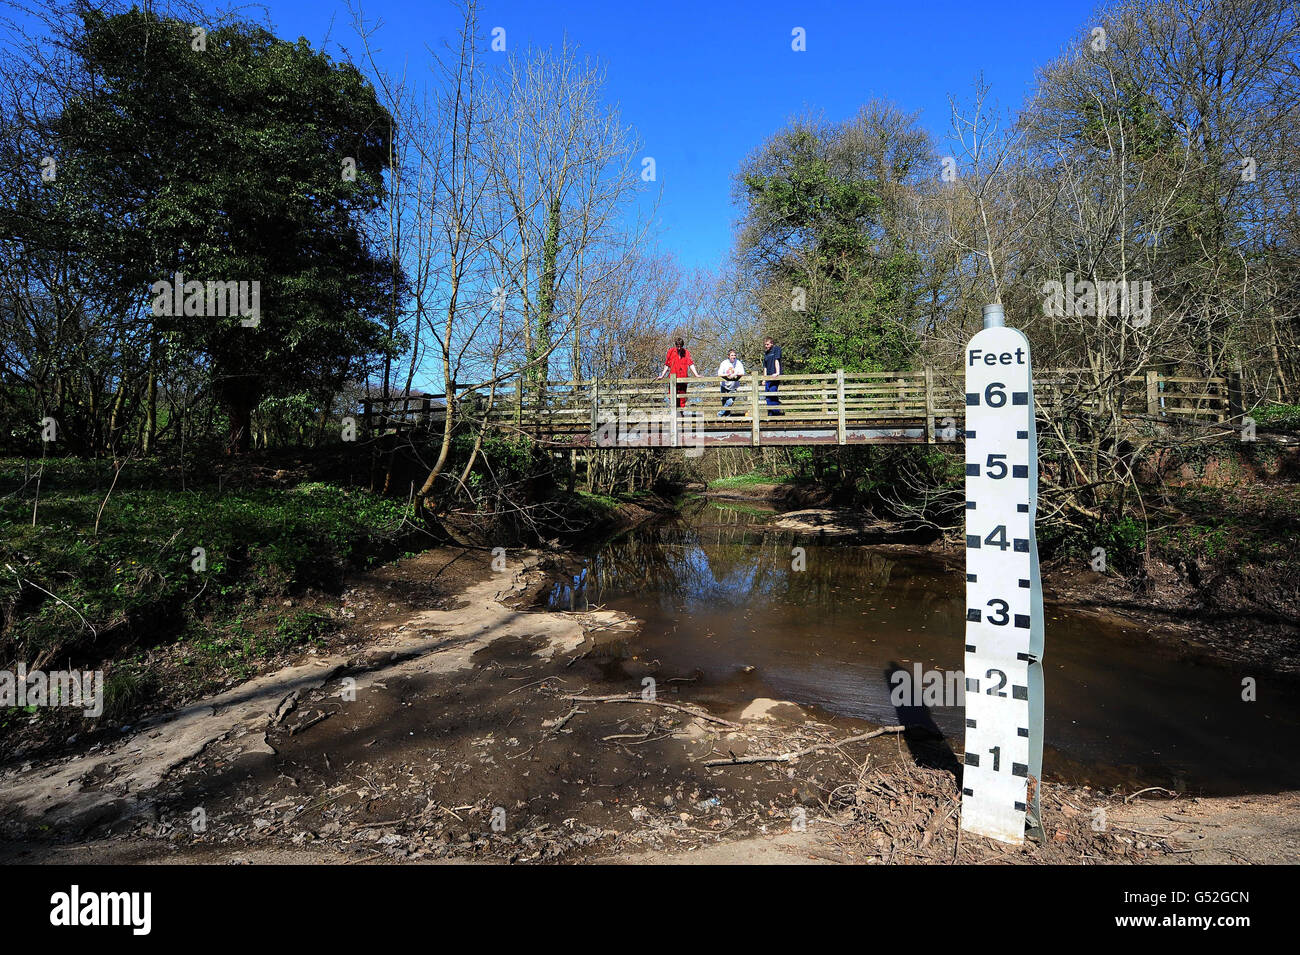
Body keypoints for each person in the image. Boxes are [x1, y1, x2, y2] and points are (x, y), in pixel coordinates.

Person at [656, 337, 700, 409]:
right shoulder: (671, 351)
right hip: (673, 378)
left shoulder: (686, 352)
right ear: (675, 345)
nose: (679, 348)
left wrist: (696, 374)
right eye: (677, 346)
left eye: (680, 346)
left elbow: (691, 364)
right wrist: (662, 375)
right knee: (672, 397)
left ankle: (681, 417)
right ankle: (674, 416)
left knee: (682, 399)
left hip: (683, 378)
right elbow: (667, 364)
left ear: (682, 345)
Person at [716, 349, 745, 416]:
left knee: (730, 402)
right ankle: (727, 417)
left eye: (735, 355)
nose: (734, 357)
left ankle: (720, 414)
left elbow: (742, 372)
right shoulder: (724, 363)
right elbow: (719, 373)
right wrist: (727, 375)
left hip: (733, 386)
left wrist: (735, 374)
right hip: (724, 385)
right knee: (724, 401)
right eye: (732, 355)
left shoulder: (738, 363)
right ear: (728, 356)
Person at [761, 336, 782, 415]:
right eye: (765, 345)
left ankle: (776, 413)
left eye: (767, 344)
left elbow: (777, 360)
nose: (766, 346)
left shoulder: (776, 349)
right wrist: (764, 378)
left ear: (772, 343)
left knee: (773, 392)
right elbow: (765, 367)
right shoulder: (766, 353)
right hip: (768, 377)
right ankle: (770, 414)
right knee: (767, 395)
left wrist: (777, 372)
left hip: (774, 376)